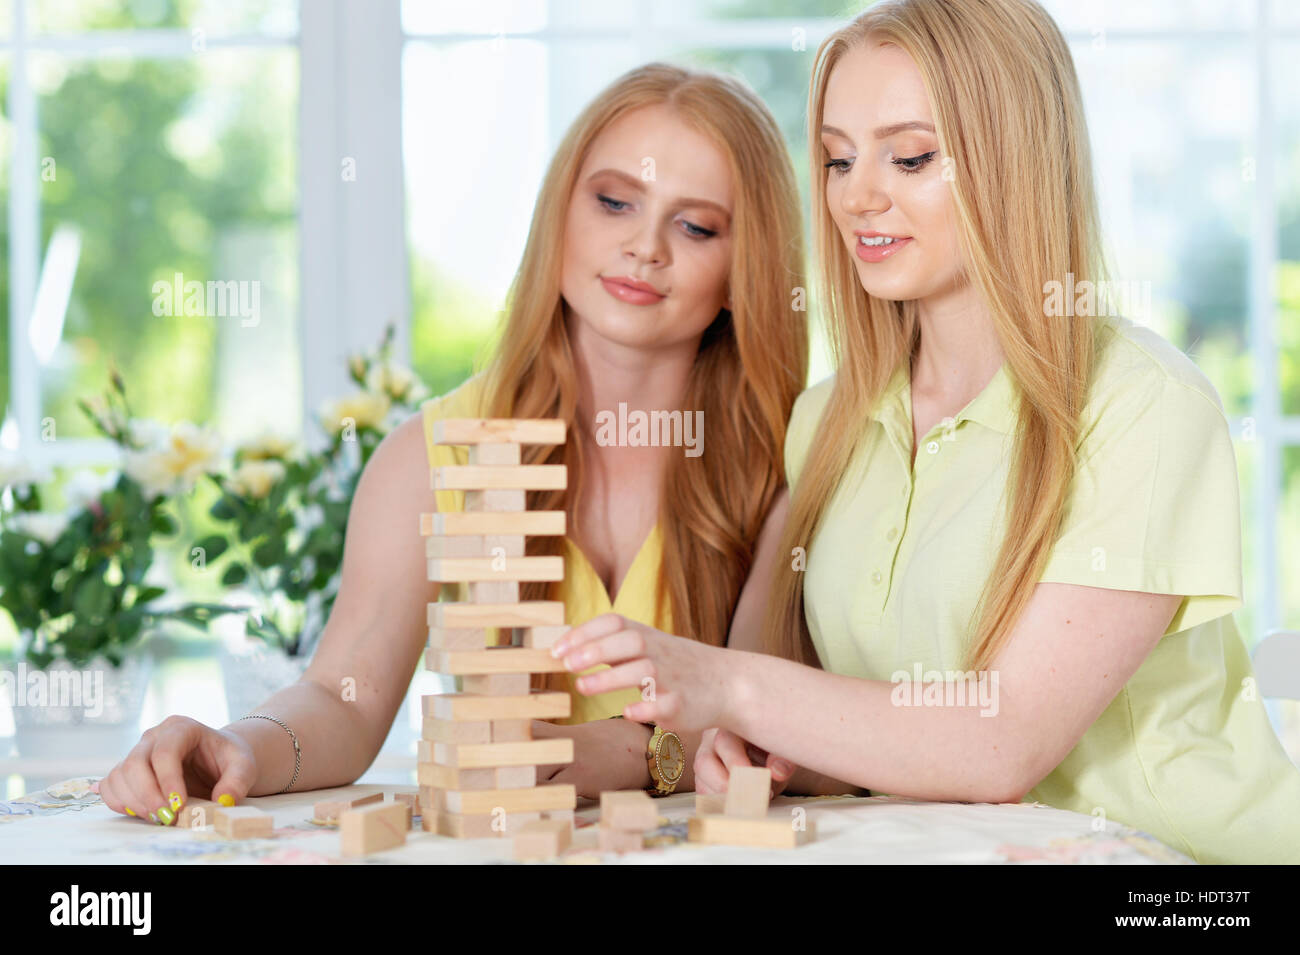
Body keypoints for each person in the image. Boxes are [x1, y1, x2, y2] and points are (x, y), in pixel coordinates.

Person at [553, 0, 1300, 865]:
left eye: (909, 156)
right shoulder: (829, 423)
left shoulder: (1144, 407)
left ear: (1015, 162)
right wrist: (760, 750)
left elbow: (1003, 740)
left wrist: (729, 685)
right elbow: (837, 727)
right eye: (837, 158)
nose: (857, 195)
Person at [92, 62, 815, 824]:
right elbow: (341, 699)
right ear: (559, 216)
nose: (644, 246)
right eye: (614, 202)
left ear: (744, 269)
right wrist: (238, 745)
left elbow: (752, 712)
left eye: (695, 225)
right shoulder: (430, 456)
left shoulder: (786, 461)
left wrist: (572, 754)